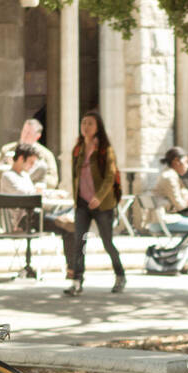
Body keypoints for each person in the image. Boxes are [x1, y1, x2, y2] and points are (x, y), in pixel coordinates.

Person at [64, 110, 126, 296]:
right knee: (79, 243)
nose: (86, 127)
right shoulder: (79, 147)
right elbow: (76, 175)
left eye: (90, 123)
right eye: (84, 123)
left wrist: (99, 196)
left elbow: (109, 176)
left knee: (107, 242)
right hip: (82, 203)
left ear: (98, 126)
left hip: (102, 204)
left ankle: (120, 275)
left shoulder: (105, 149)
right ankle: (77, 281)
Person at [0, 143, 74, 252]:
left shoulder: (25, 175)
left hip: (38, 214)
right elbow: (27, 196)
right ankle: (62, 220)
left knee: (74, 211)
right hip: (26, 219)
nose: (32, 166)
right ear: (21, 159)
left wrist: (52, 193)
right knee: (67, 227)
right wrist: (42, 192)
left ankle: (64, 219)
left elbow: (35, 192)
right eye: (31, 162)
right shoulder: (8, 177)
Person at [149, 147, 188, 256]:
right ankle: (178, 256)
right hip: (162, 221)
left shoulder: (170, 174)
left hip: (158, 220)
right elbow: (180, 205)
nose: (187, 166)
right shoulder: (170, 177)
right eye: (186, 162)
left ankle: (176, 255)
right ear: (176, 161)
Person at [1, 117, 59, 189]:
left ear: (38, 136)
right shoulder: (7, 149)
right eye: (24, 131)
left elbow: (53, 180)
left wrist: (31, 179)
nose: (25, 135)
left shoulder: (46, 155)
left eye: (29, 133)